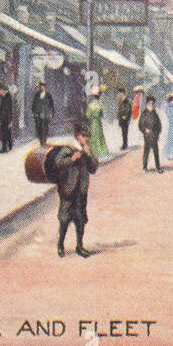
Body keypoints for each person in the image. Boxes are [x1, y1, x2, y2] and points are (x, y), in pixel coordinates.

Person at [55, 122, 98, 257]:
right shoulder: (68, 149)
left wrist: (90, 156)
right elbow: (58, 162)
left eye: (87, 136)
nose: (86, 139)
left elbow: (93, 169)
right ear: (78, 136)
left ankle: (79, 247)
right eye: (84, 136)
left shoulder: (86, 150)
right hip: (68, 190)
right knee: (64, 219)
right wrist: (72, 159)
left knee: (80, 220)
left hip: (81, 191)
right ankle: (60, 245)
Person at [139, 95, 163, 173]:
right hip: (147, 135)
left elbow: (159, 124)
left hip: (154, 135)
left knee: (156, 152)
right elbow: (140, 124)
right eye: (150, 103)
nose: (151, 104)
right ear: (147, 103)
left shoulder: (155, 113)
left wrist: (157, 133)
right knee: (146, 151)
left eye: (152, 103)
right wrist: (145, 130)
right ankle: (144, 167)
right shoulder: (144, 113)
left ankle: (158, 167)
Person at [86, 85, 109, 158]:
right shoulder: (100, 104)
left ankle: (95, 151)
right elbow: (102, 114)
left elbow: (88, 115)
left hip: (93, 122)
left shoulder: (90, 105)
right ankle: (102, 151)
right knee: (100, 135)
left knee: (93, 136)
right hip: (98, 122)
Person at [0, 84, 15, 153]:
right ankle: (4, 147)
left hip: (7, 118)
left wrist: (11, 121)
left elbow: (11, 110)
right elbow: (0, 110)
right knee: (3, 133)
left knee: (8, 133)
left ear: (2, 90)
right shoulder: (2, 98)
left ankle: (9, 146)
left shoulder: (9, 97)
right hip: (2, 118)